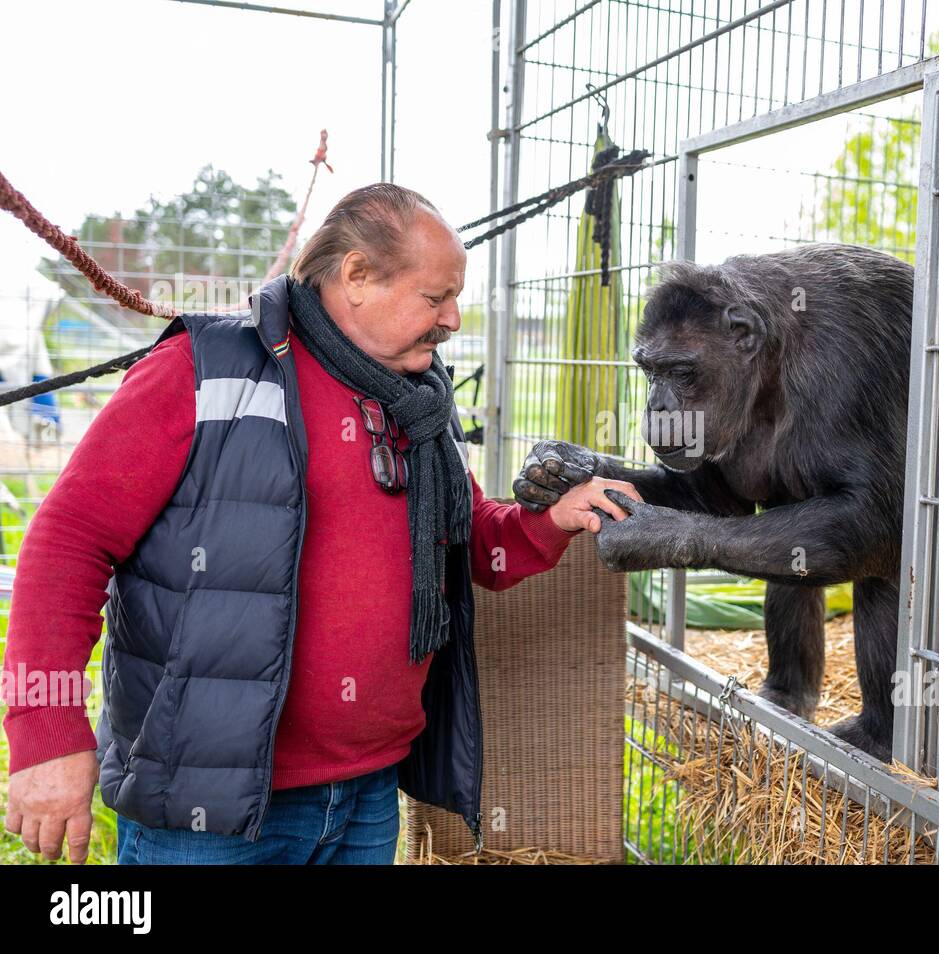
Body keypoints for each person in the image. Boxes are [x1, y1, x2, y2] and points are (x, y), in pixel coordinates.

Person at [0, 183, 640, 865]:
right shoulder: (206, 370)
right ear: (357, 276)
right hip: (210, 807)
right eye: (436, 297)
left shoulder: (416, 399)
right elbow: (69, 541)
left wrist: (550, 521)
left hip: (366, 792)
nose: (454, 318)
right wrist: (46, 732)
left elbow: (470, 537)